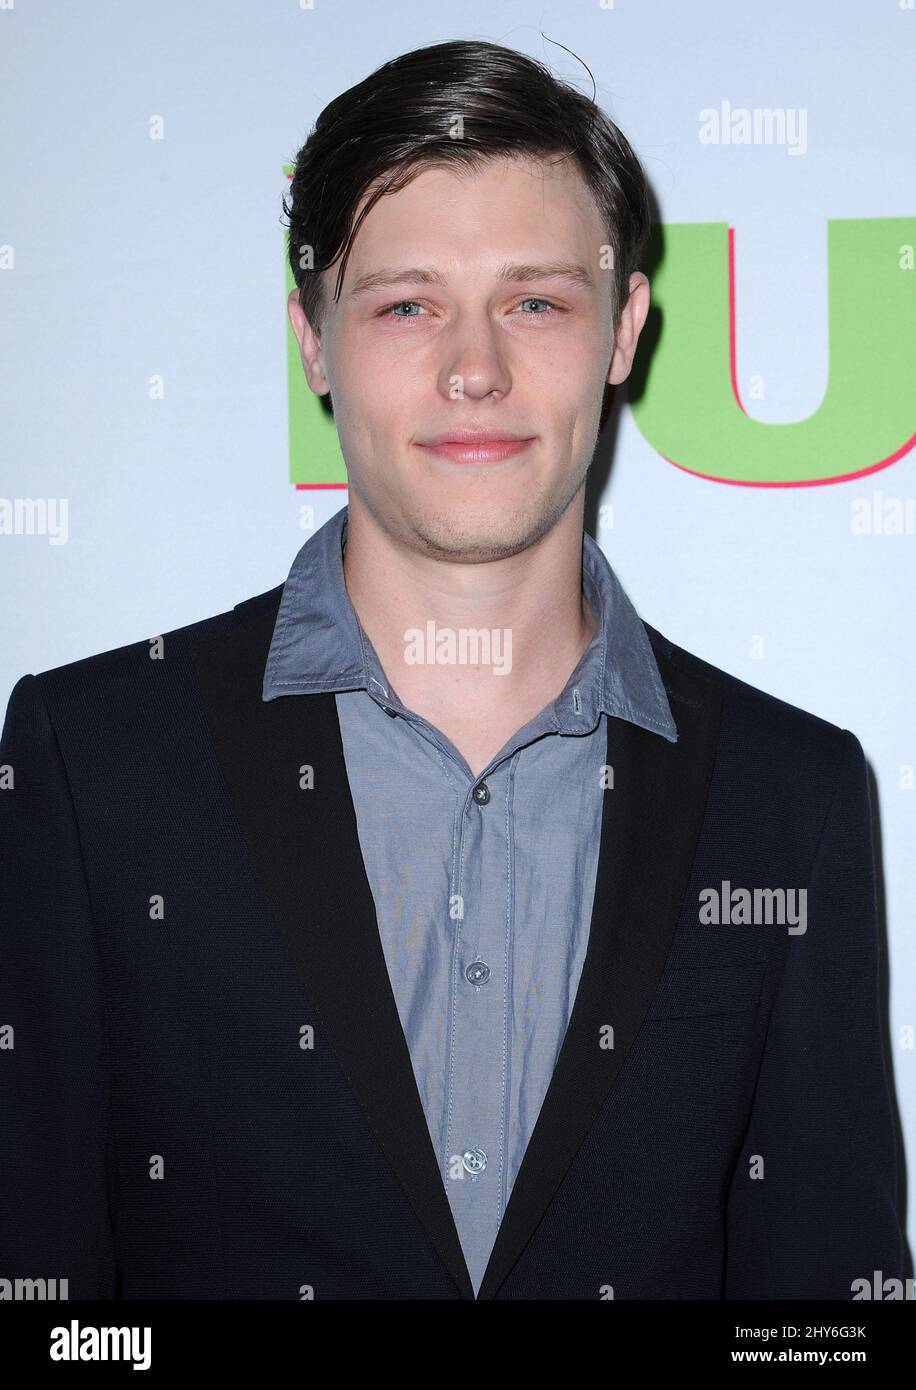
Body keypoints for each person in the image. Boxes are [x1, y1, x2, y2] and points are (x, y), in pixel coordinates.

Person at [0, 39, 903, 1300]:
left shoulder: (787, 792)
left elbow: (823, 1316)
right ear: (314, 339)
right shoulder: (89, 759)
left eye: (535, 301)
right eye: (406, 303)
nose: (473, 369)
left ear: (623, 328)